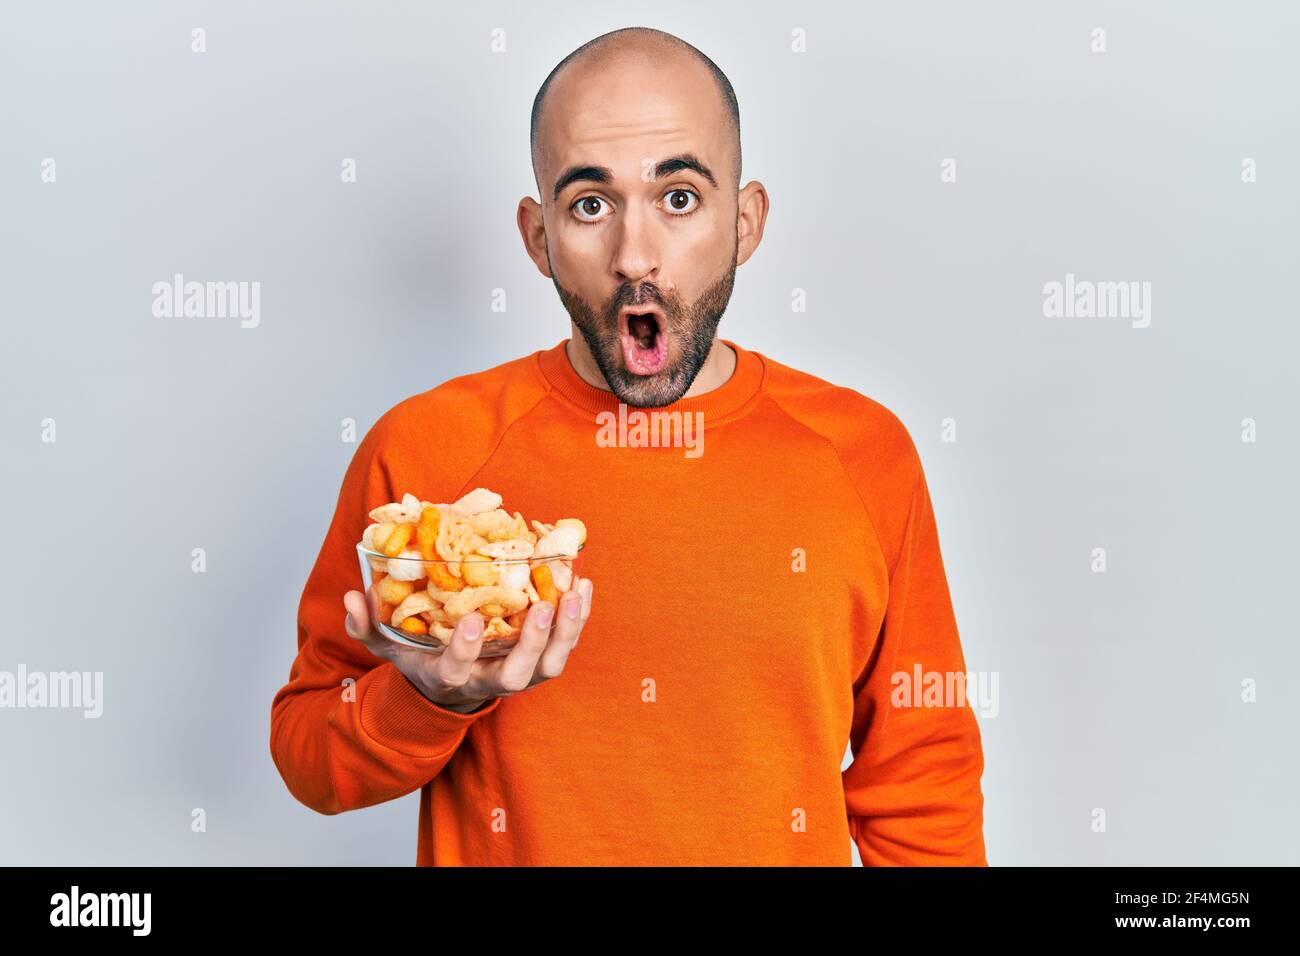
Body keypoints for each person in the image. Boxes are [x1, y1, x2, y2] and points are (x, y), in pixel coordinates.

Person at [270, 26, 988, 866]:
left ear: (745, 223)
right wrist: (429, 698)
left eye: (679, 197)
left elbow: (922, 786)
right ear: (539, 239)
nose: (634, 257)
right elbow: (311, 761)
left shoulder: (864, 455)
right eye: (590, 205)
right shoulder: (429, 455)